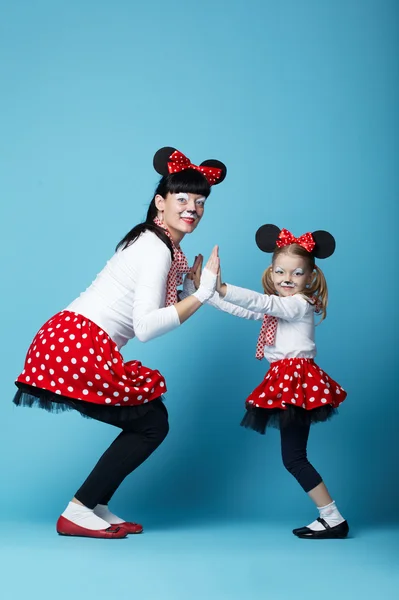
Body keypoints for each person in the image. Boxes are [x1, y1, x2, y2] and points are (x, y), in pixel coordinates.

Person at [13, 146, 226, 538]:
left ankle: (94, 504)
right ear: (159, 203)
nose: (192, 208)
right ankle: (79, 510)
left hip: (75, 338)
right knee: (151, 425)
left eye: (200, 201)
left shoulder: (163, 246)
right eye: (182, 199)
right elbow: (145, 327)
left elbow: (147, 308)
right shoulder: (153, 248)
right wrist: (204, 295)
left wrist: (189, 290)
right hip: (76, 342)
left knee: (151, 422)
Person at [188, 224, 349, 539]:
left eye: (297, 274)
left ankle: (333, 518)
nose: (287, 279)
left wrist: (221, 287)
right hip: (286, 379)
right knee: (294, 456)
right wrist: (204, 292)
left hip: (297, 381)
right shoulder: (280, 306)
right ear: (271, 272)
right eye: (280, 272)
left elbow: (265, 305)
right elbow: (245, 310)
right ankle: (331, 517)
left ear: (311, 277)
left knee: (294, 458)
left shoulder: (297, 305)